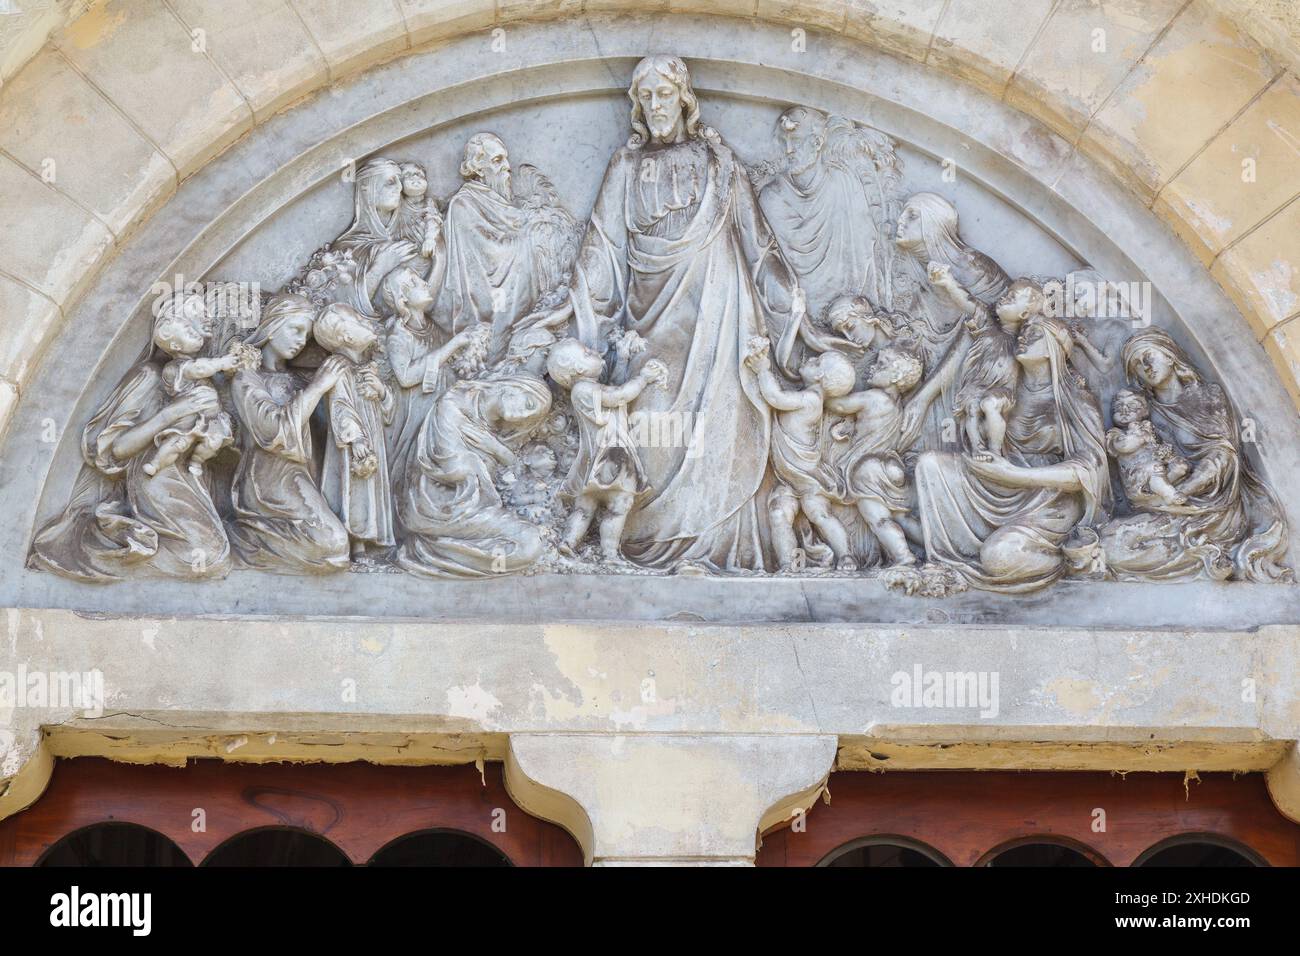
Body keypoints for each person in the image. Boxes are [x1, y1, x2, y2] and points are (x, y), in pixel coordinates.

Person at [562, 54, 805, 571]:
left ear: (684, 99)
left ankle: (715, 545)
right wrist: (586, 321)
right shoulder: (625, 166)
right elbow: (603, 245)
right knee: (651, 422)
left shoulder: (719, 161)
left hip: (717, 306)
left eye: (664, 95)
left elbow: (755, 238)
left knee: (719, 418)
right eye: (645, 98)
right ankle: (645, 543)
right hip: (648, 314)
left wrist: (787, 307)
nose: (655, 106)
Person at [30, 305, 233, 582]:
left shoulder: (204, 381)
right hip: (154, 476)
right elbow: (118, 449)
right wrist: (172, 413)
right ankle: (98, 549)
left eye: (204, 324)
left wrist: (218, 424)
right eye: (193, 324)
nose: (203, 330)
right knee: (209, 558)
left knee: (215, 555)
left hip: (190, 474)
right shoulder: (149, 377)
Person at [913, 316, 1109, 593]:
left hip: (1047, 497)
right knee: (929, 465)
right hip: (996, 482)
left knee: (1000, 558)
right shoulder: (1005, 388)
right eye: (1024, 333)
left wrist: (1015, 475)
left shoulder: (1074, 398)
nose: (1023, 338)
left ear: (1056, 347)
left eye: (1035, 335)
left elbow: (1091, 468)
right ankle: (949, 558)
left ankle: (1072, 559)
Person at [1094, 328, 1291, 582]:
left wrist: (1181, 493)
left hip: (1210, 510)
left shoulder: (1208, 396)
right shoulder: (1143, 414)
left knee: (1112, 551)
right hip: (1161, 507)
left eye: (1148, 356)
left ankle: (1206, 553)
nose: (1146, 366)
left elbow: (1224, 456)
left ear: (1170, 356)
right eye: (1137, 365)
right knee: (1105, 542)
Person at [227, 295, 351, 573]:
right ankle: (243, 538)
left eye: (306, 335)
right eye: (295, 329)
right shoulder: (246, 379)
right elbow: (274, 431)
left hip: (306, 475)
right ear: (272, 326)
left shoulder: (298, 380)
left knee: (337, 547)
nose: (301, 340)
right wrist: (318, 387)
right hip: (269, 483)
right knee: (332, 545)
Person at [547, 337, 667, 562]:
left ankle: (568, 543)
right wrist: (643, 378)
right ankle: (609, 553)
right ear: (578, 368)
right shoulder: (582, 390)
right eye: (587, 353)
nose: (594, 352)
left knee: (584, 508)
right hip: (611, 459)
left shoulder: (587, 389)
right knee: (620, 504)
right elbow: (619, 395)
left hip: (592, 463)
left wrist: (622, 358)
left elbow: (614, 387)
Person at [744, 336, 857, 571]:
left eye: (817, 362)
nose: (811, 358)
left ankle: (846, 556)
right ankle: (788, 565)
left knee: (819, 515)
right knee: (778, 514)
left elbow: (775, 398)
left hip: (808, 478)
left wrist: (763, 369)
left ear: (820, 377)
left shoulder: (810, 399)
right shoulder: (810, 398)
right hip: (788, 478)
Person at [827, 344, 925, 568]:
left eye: (881, 365)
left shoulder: (873, 398)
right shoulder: (897, 404)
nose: (872, 368)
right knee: (902, 518)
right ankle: (935, 548)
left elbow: (841, 405)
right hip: (891, 466)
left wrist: (823, 389)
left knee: (879, 518)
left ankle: (903, 557)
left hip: (867, 468)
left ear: (896, 376)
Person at [313, 304, 396, 560]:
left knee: (371, 484)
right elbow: (340, 407)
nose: (367, 320)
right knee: (354, 484)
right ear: (347, 337)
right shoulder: (337, 366)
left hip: (373, 435)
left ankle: (372, 536)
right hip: (352, 443)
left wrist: (382, 392)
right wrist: (356, 438)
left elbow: (387, 410)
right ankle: (356, 541)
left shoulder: (367, 367)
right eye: (359, 319)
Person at [144, 292, 256, 479]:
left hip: (212, 416)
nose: (206, 320)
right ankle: (156, 464)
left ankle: (197, 461)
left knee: (214, 441)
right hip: (189, 416)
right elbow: (199, 369)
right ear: (175, 344)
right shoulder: (175, 367)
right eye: (189, 331)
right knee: (179, 442)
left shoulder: (200, 358)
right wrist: (222, 363)